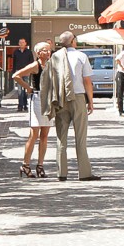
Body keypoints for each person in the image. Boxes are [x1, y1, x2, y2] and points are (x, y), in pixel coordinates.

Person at [42, 32, 97, 182]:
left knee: (61, 136)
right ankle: (84, 173)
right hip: (78, 97)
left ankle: (61, 173)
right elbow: (87, 81)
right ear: (73, 41)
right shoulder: (81, 56)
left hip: (60, 98)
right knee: (80, 137)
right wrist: (90, 101)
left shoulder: (55, 57)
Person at [14, 41, 54, 179]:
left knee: (45, 134)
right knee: (34, 133)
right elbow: (16, 75)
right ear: (38, 53)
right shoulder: (35, 65)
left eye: (49, 50)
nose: (48, 52)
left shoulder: (50, 64)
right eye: (44, 50)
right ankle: (25, 164)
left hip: (48, 99)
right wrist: (28, 88)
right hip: (37, 99)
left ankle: (40, 165)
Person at [9, 39, 34, 111]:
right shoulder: (16, 52)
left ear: (25, 43)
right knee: (19, 90)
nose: (21, 44)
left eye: (23, 42)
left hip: (26, 72)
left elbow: (31, 63)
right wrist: (14, 72)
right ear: (18, 43)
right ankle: (20, 106)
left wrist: (30, 71)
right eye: (20, 42)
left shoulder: (29, 52)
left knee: (25, 89)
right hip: (18, 72)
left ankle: (25, 105)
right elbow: (14, 63)